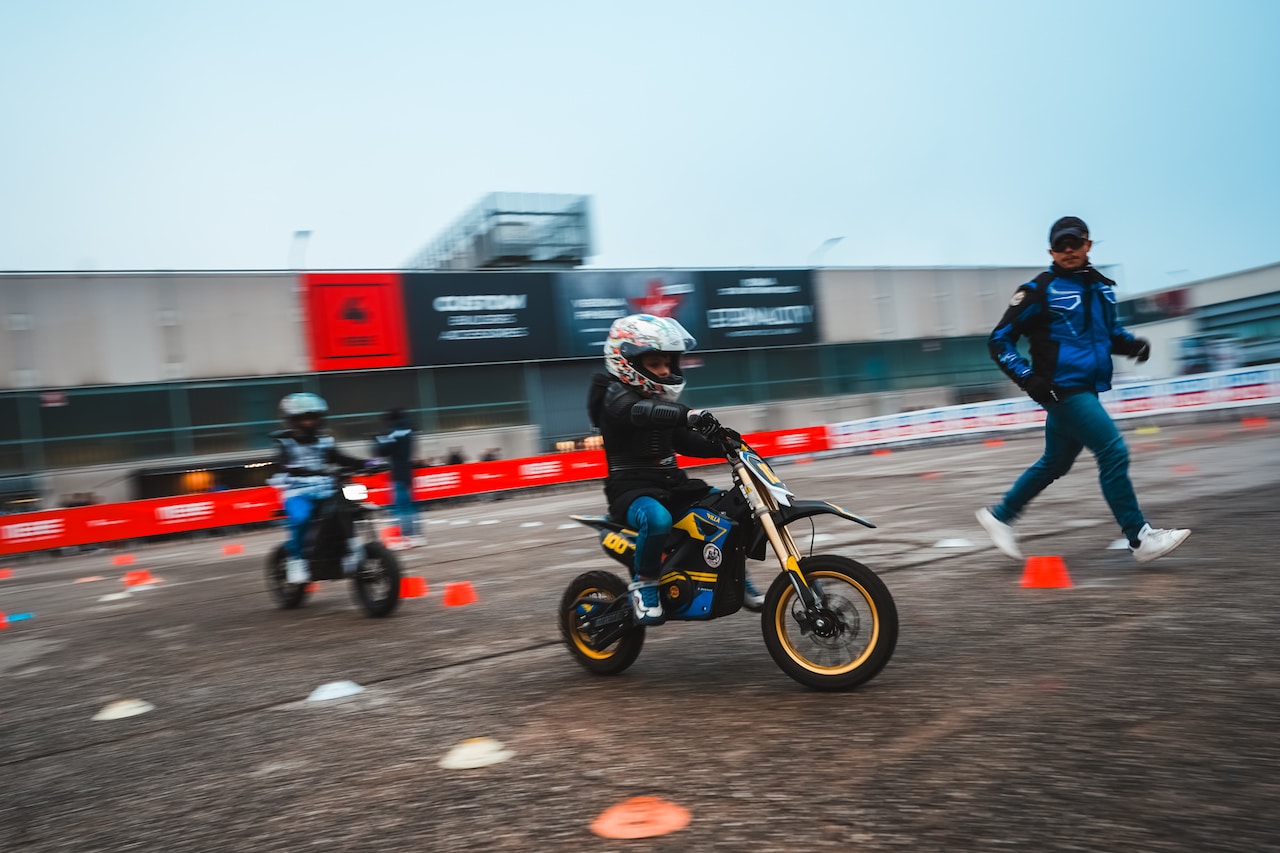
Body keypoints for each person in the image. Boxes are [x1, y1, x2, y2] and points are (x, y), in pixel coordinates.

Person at [975, 216, 1190, 564]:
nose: (1069, 250)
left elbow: (1107, 334)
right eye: (1061, 245)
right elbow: (999, 341)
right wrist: (1028, 378)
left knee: (1054, 463)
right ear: (1051, 251)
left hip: (1087, 387)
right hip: (1062, 390)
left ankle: (1000, 515)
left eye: (1075, 242)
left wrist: (1131, 345)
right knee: (1113, 451)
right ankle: (1140, 537)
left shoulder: (1102, 289)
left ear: (1089, 245)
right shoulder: (1038, 290)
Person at [587, 314, 742, 624]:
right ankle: (645, 585)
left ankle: (732, 578)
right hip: (631, 491)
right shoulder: (614, 397)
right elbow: (640, 412)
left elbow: (685, 442)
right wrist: (687, 415)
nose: (666, 371)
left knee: (730, 510)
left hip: (672, 486)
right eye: (656, 364)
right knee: (657, 520)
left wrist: (726, 445)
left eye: (669, 364)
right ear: (627, 360)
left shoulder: (660, 403)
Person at [270, 392, 370, 584]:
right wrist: (294, 469)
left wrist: (369, 463)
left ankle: (349, 552)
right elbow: (281, 464)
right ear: (292, 420)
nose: (309, 422)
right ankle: (297, 561)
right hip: (298, 491)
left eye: (313, 417)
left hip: (327, 489)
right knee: (301, 518)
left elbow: (342, 459)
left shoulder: (326, 441)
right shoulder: (284, 442)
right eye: (303, 418)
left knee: (349, 510)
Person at [374, 408, 423, 548]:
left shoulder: (395, 432)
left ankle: (406, 537)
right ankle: (416, 535)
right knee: (410, 506)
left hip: (398, 473)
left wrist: (379, 439)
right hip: (407, 472)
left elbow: (382, 451)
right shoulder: (409, 431)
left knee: (400, 508)